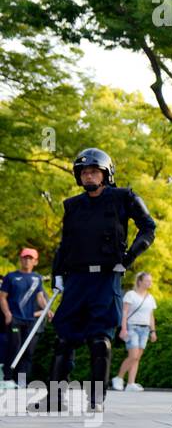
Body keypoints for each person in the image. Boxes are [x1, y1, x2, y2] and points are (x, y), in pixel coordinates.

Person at [35, 148, 155, 413]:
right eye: (84, 172)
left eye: (94, 171)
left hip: (106, 276)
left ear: (105, 173)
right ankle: (55, 397)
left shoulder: (124, 197)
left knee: (99, 339)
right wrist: (57, 274)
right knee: (64, 338)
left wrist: (129, 256)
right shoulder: (73, 205)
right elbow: (65, 244)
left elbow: (148, 227)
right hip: (76, 278)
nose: (89, 176)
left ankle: (96, 398)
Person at [1, 248, 48, 387]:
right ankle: (8, 378)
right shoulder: (11, 277)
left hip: (31, 321)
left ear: (35, 261)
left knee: (28, 351)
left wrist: (48, 310)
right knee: (14, 347)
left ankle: (22, 381)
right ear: (20, 259)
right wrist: (7, 313)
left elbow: (40, 297)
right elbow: (2, 297)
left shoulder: (37, 278)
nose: (27, 261)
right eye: (24, 258)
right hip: (15, 318)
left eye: (30, 258)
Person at [113, 272, 157, 391]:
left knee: (137, 357)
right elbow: (125, 313)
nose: (150, 283)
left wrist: (153, 331)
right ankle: (119, 378)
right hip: (132, 327)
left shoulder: (150, 297)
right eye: (147, 281)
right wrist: (123, 328)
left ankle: (131, 383)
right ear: (139, 281)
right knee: (133, 355)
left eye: (150, 281)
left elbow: (151, 315)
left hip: (145, 329)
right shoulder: (130, 295)